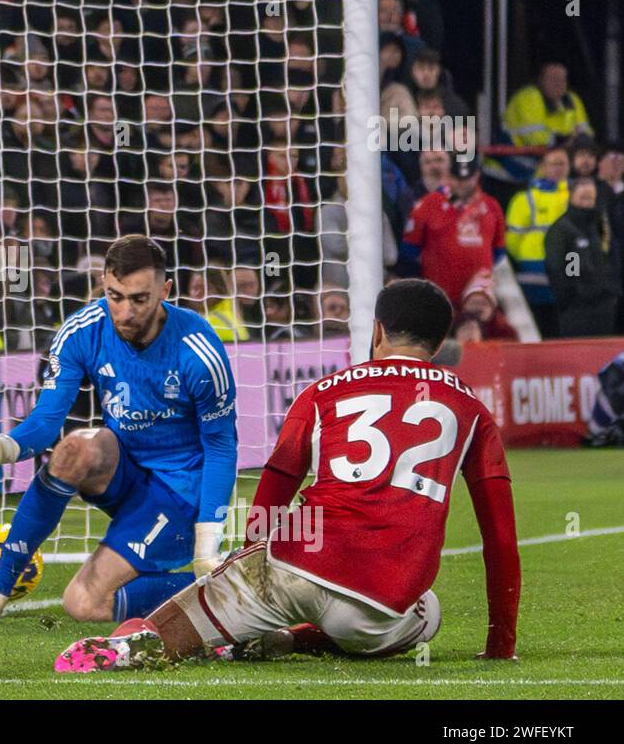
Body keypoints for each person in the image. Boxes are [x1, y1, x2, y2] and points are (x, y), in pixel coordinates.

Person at [54, 278, 521, 672]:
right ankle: (293, 641)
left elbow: (275, 488)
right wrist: (501, 643)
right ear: (439, 344)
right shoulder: (471, 409)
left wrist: (243, 568)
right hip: (375, 605)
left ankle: (130, 646)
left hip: (293, 565)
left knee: (170, 631)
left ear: (377, 331)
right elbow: (499, 538)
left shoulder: (321, 392)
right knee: (428, 613)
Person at [0, 236, 239, 626]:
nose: (125, 312)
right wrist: (6, 447)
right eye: (115, 296)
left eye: (139, 299)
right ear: (102, 282)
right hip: (125, 469)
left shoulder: (198, 349)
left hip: (178, 492)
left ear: (165, 291)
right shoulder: (82, 330)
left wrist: (208, 536)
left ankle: (218, 584)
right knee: (74, 449)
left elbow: (221, 446)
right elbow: (47, 421)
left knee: (84, 603)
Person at [400, 154, 506, 310]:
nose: (462, 184)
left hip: (477, 299)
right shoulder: (427, 204)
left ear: (476, 176)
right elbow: (409, 250)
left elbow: (498, 251)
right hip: (439, 297)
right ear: (449, 176)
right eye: (457, 179)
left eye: (467, 179)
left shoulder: (492, 206)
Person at [544, 178, 622, 337]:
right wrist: (573, 296)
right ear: (571, 196)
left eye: (590, 197)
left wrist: (612, 288)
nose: (588, 200)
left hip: (606, 306)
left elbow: (613, 258)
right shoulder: (563, 230)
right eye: (583, 196)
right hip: (577, 310)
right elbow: (560, 268)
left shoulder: (602, 226)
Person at [506, 146, 570, 336]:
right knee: (536, 331)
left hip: (565, 276)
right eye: (554, 163)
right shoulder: (524, 199)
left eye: (562, 163)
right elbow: (512, 240)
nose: (558, 168)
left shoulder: (577, 196)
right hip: (533, 275)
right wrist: (528, 263)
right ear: (542, 167)